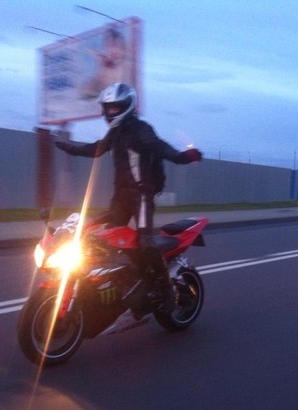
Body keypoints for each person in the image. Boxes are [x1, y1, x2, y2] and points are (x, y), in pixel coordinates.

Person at [56, 82, 202, 314]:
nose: (111, 111)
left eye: (115, 107)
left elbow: (161, 147)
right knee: (104, 239)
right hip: (120, 196)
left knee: (145, 242)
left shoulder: (141, 129)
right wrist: (68, 147)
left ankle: (166, 291)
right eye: (108, 107)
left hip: (141, 196)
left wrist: (183, 157)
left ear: (127, 106)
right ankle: (121, 282)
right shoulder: (115, 132)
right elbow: (96, 149)